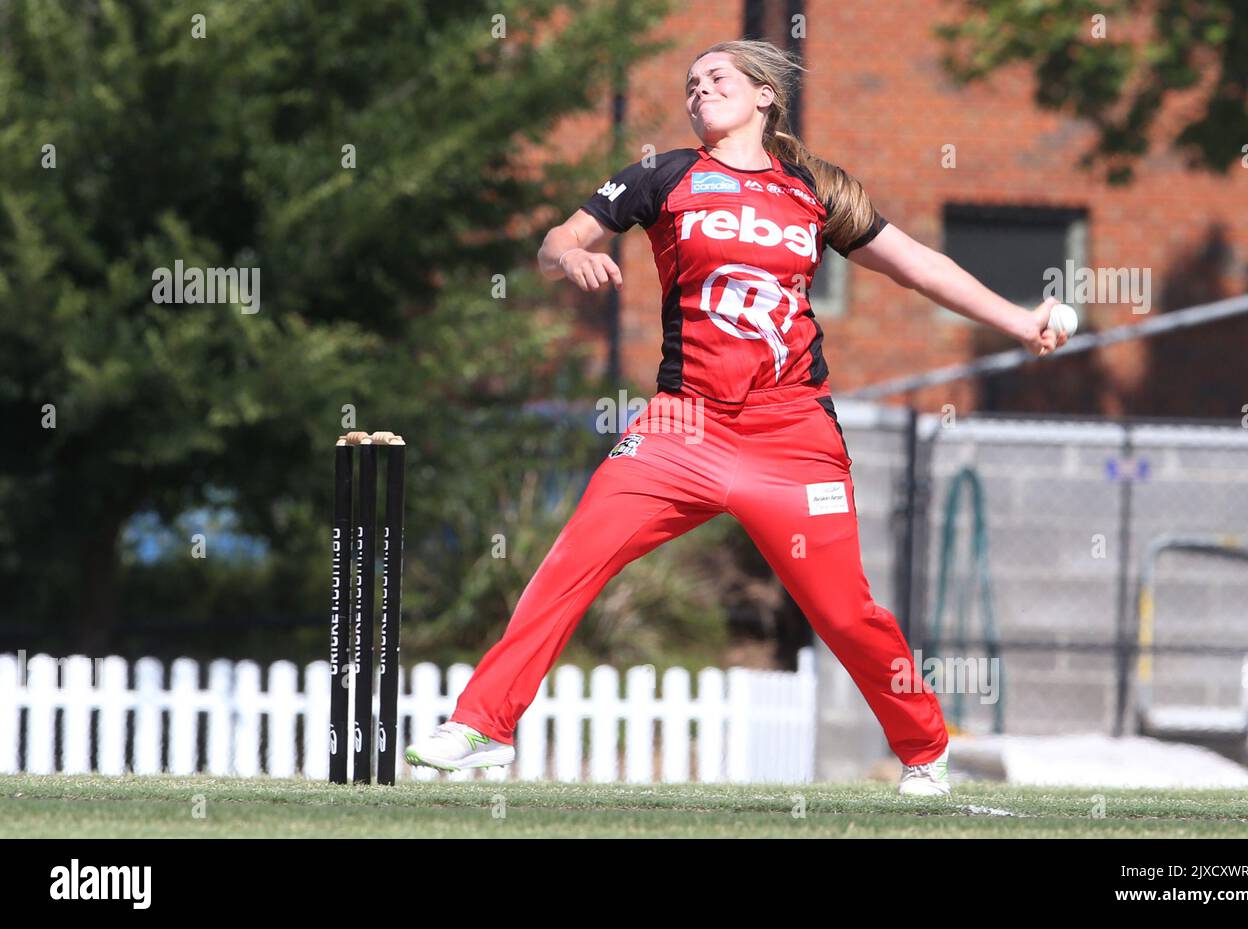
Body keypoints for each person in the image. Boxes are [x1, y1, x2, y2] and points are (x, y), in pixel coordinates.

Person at [406, 39, 1068, 796]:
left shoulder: (813, 189)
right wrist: (570, 257)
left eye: (715, 77)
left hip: (792, 434)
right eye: (689, 84)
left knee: (846, 612)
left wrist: (1019, 321)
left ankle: (926, 749)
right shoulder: (665, 174)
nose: (698, 91)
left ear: (763, 96)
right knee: (570, 563)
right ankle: (482, 727)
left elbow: (921, 265)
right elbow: (558, 239)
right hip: (681, 427)